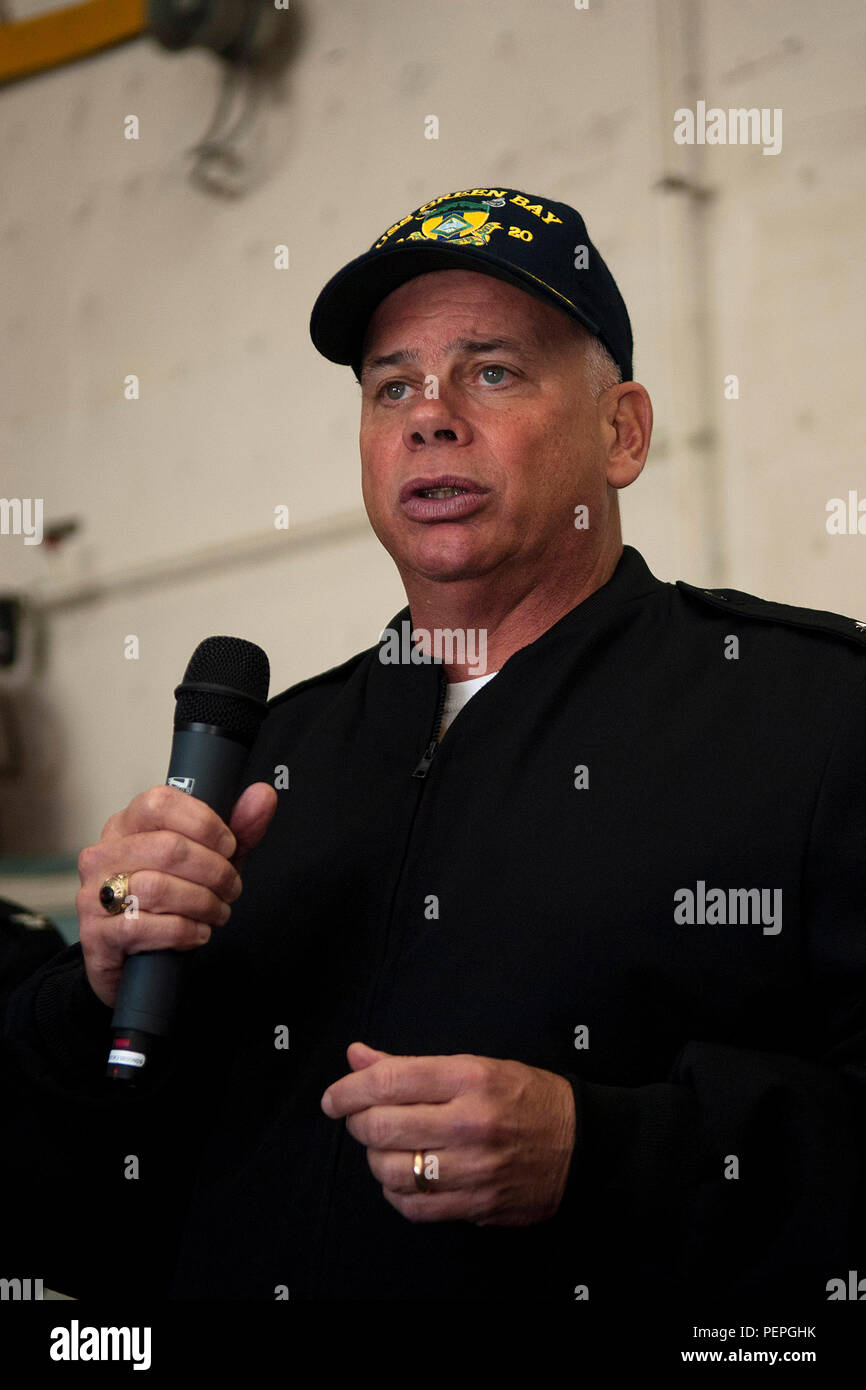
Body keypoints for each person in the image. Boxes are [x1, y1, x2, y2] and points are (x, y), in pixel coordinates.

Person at [2, 186, 864, 1306]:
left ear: (621, 432)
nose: (429, 414)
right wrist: (96, 989)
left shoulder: (807, 715)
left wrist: (605, 1151)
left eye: (490, 370)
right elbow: (91, 1185)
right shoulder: (268, 763)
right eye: (390, 384)